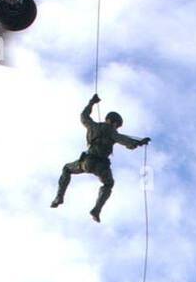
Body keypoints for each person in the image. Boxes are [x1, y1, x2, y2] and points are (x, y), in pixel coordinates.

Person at [51, 94, 149, 222]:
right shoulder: (113, 132)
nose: (116, 128)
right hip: (102, 166)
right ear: (113, 122)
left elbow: (84, 116)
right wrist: (139, 143)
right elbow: (125, 141)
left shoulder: (93, 126)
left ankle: (59, 197)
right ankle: (96, 209)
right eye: (117, 125)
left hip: (86, 162)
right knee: (108, 184)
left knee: (67, 168)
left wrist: (91, 103)